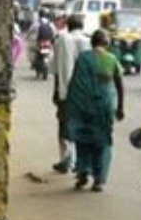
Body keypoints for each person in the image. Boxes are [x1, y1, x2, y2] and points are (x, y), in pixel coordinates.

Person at [63, 29, 124, 192]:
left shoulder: (83, 58)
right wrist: (120, 107)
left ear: (92, 42)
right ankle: (99, 180)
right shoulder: (111, 59)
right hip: (104, 108)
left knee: (83, 141)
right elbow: (119, 84)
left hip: (82, 106)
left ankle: (82, 172)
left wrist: (70, 107)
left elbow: (75, 83)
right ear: (107, 43)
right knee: (102, 142)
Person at [50, 14, 91, 173]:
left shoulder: (62, 40)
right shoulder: (89, 41)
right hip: (85, 92)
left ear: (68, 25)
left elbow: (55, 69)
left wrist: (57, 92)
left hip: (66, 90)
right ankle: (81, 162)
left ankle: (67, 159)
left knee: (64, 124)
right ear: (82, 26)